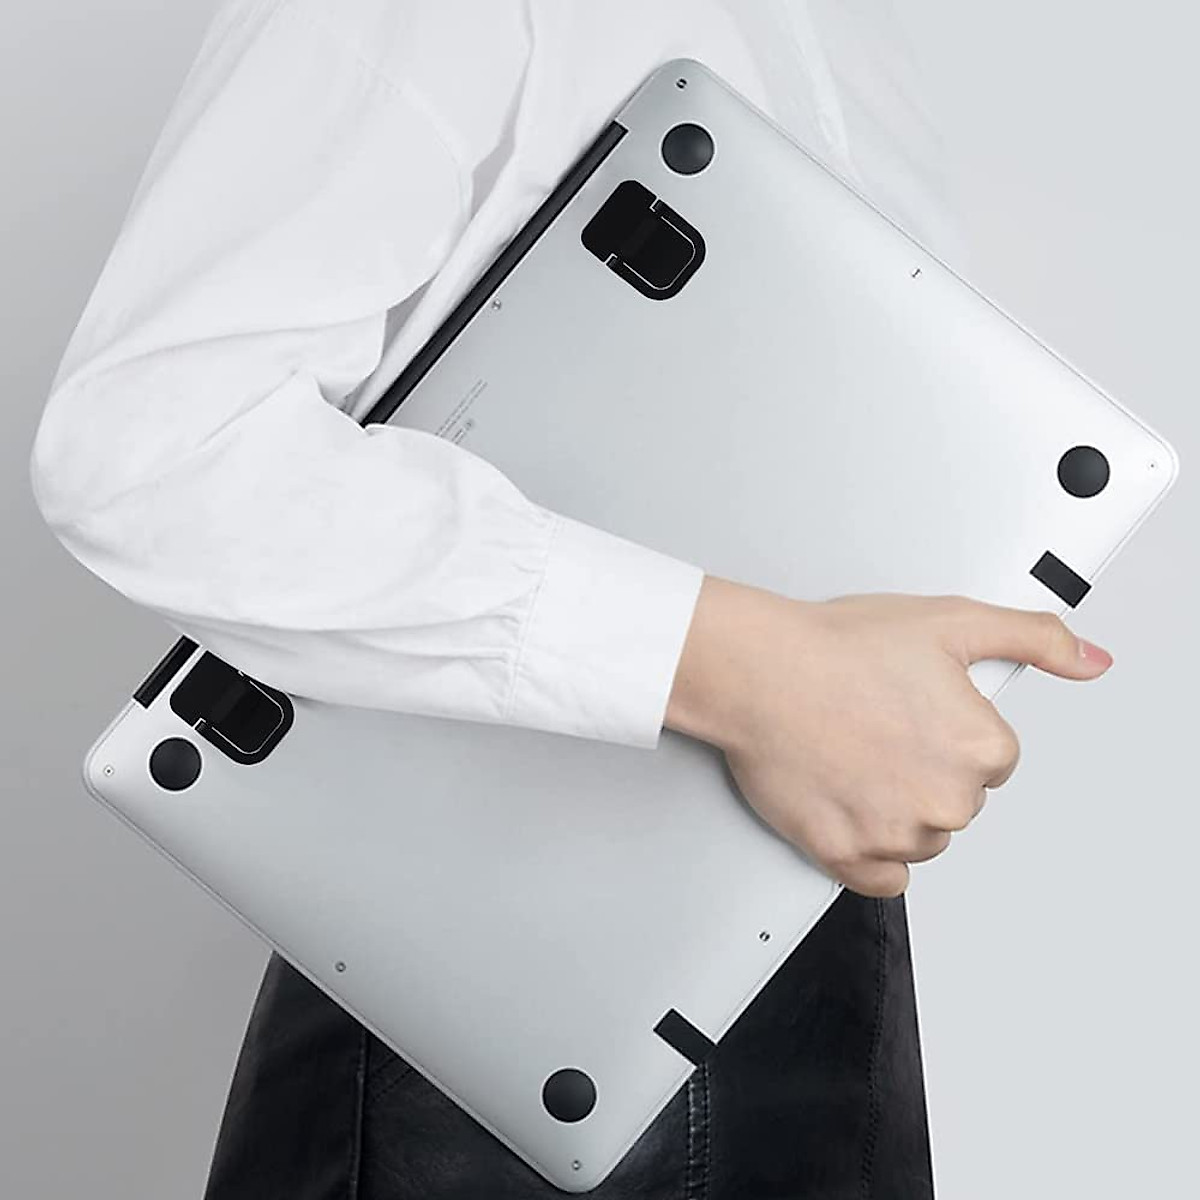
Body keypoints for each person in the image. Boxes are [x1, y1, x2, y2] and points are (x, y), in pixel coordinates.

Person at [28, 1, 1115, 1195]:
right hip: (509, 988)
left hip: (810, 962)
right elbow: (153, 451)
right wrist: (743, 667)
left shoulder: (856, 36)